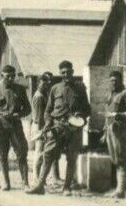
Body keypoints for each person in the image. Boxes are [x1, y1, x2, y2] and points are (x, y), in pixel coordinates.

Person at [29, 60, 90, 194]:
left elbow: (87, 109)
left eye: (68, 72)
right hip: (57, 127)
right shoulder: (55, 88)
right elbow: (47, 110)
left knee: (71, 157)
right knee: (48, 154)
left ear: (73, 72)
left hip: (74, 128)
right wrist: (48, 123)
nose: (66, 74)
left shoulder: (80, 88)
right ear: (60, 73)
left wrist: (81, 118)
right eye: (63, 72)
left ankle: (67, 187)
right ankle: (40, 186)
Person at [0, 65, 32, 190]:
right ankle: (5, 182)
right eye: (7, 76)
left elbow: (28, 109)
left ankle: (25, 183)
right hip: (0, 125)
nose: (10, 78)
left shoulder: (20, 90)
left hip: (15, 125)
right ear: (2, 76)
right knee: (1, 154)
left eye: (12, 76)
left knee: (22, 152)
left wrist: (18, 114)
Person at [103, 70, 126, 198]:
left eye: (116, 80)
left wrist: (119, 114)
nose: (114, 82)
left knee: (121, 159)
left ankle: (121, 190)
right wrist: (104, 131)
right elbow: (106, 114)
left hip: (120, 128)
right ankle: (118, 189)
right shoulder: (110, 94)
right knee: (114, 159)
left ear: (121, 80)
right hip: (110, 129)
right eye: (111, 80)